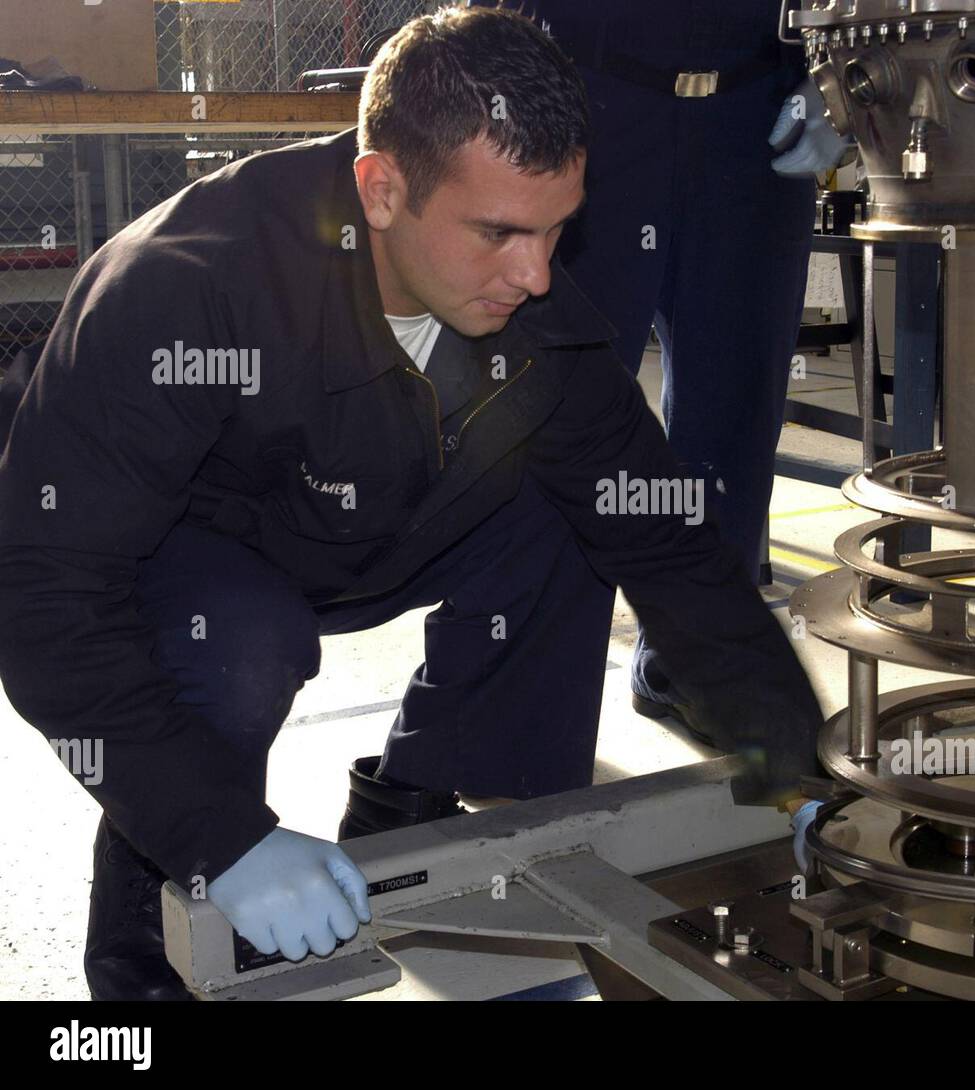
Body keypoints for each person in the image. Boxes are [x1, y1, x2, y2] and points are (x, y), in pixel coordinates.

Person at [0, 8, 822, 1001]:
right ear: (380, 189)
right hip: (214, 558)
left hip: (386, 514)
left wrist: (792, 756)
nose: (536, 273)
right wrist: (222, 839)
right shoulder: (181, 292)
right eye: (501, 233)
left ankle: (417, 813)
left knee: (582, 503)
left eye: (558, 230)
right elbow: (45, 598)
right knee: (241, 646)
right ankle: (145, 956)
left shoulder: (533, 307)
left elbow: (665, 543)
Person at [512, 0, 851, 733]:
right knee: (555, 405)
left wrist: (846, 74)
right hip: (587, 98)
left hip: (760, 113)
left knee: (734, 409)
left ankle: (693, 664)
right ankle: (516, 709)